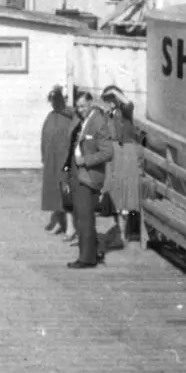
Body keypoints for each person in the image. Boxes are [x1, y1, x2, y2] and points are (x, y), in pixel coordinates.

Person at [67, 89, 113, 269]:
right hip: (78, 174)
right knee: (81, 216)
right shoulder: (83, 120)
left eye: (83, 106)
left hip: (88, 175)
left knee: (85, 218)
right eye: (77, 107)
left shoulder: (98, 121)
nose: (80, 110)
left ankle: (87, 258)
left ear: (91, 103)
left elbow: (107, 152)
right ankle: (93, 251)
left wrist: (85, 160)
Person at [101, 84, 140, 244]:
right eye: (107, 100)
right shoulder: (108, 115)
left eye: (111, 100)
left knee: (125, 194)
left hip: (126, 154)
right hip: (114, 156)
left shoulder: (125, 111)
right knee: (116, 193)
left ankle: (123, 234)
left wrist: (116, 92)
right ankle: (120, 231)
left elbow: (130, 104)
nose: (108, 103)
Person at [40, 85, 76, 237]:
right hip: (51, 160)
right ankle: (59, 222)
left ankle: (71, 227)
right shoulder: (51, 116)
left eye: (56, 101)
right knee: (54, 192)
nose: (54, 104)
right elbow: (44, 137)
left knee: (66, 193)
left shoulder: (70, 117)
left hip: (65, 161)